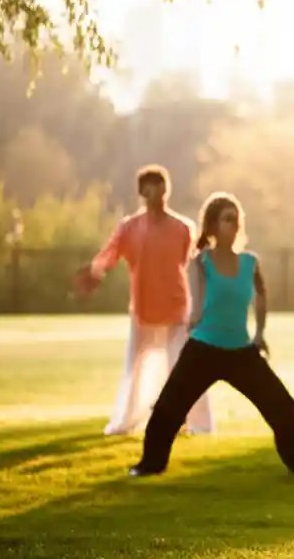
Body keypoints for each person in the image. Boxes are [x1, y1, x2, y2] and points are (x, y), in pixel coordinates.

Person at [130, 193, 294, 477]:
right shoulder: (200, 262)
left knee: (284, 407)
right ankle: (150, 465)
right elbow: (195, 300)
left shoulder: (250, 263)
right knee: (169, 409)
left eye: (236, 218)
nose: (234, 223)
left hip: (241, 351)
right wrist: (190, 322)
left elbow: (262, 297)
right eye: (227, 218)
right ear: (213, 226)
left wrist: (260, 334)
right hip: (204, 348)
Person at [72, 165, 212, 436]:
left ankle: (195, 422)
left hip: (177, 308)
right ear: (141, 192)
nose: (154, 191)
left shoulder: (183, 227)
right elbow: (110, 254)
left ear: (166, 189)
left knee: (184, 369)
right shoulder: (129, 228)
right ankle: (126, 421)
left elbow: (192, 263)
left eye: (159, 185)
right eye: (148, 186)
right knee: (135, 370)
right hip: (143, 309)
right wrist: (95, 271)